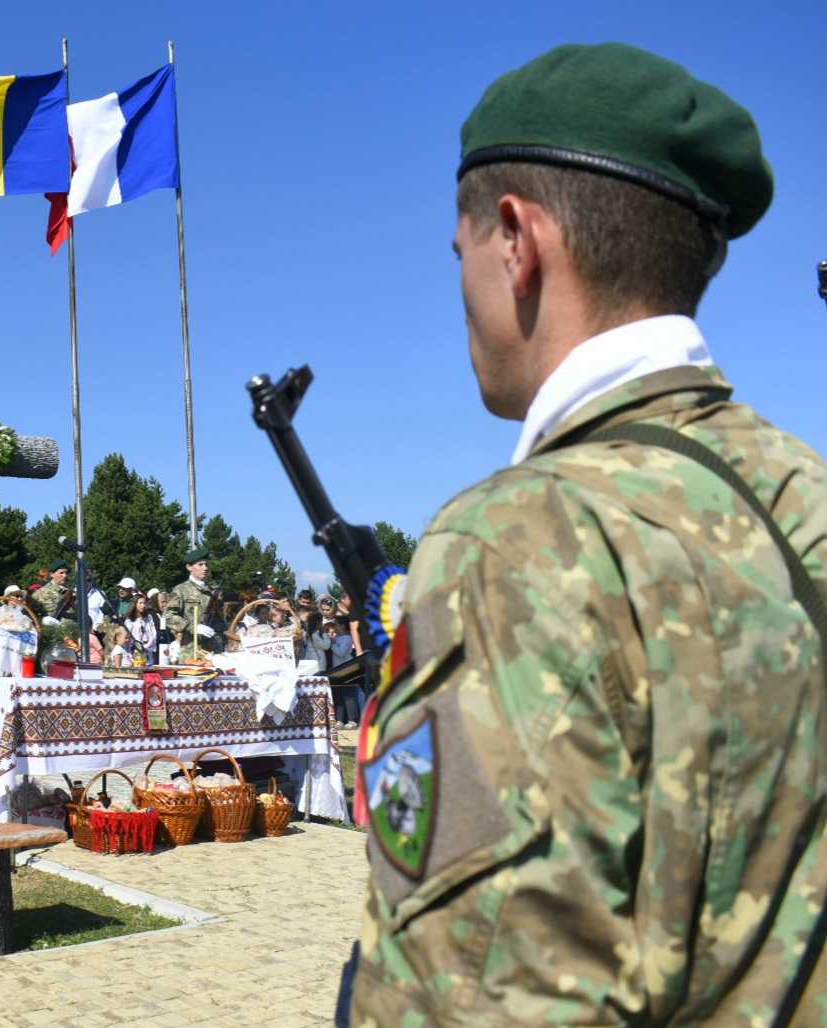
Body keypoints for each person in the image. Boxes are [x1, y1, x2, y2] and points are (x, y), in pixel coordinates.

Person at [345, 43, 825, 1024]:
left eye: (461, 250)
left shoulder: (513, 544)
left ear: (514, 240)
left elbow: (469, 998)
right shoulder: (802, 491)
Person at [164, 547, 217, 661]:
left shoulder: (211, 592)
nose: (205, 568)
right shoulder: (181, 590)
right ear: (189, 567)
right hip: (190, 651)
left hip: (210, 651)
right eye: (200, 564)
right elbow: (168, 617)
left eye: (206, 564)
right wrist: (192, 627)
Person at [125, 593, 160, 664]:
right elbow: (128, 639)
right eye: (140, 603)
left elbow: (153, 634)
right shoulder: (129, 621)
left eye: (144, 603)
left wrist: (146, 646)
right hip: (134, 654)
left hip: (147, 652)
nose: (143, 605)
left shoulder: (149, 618)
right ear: (135, 604)